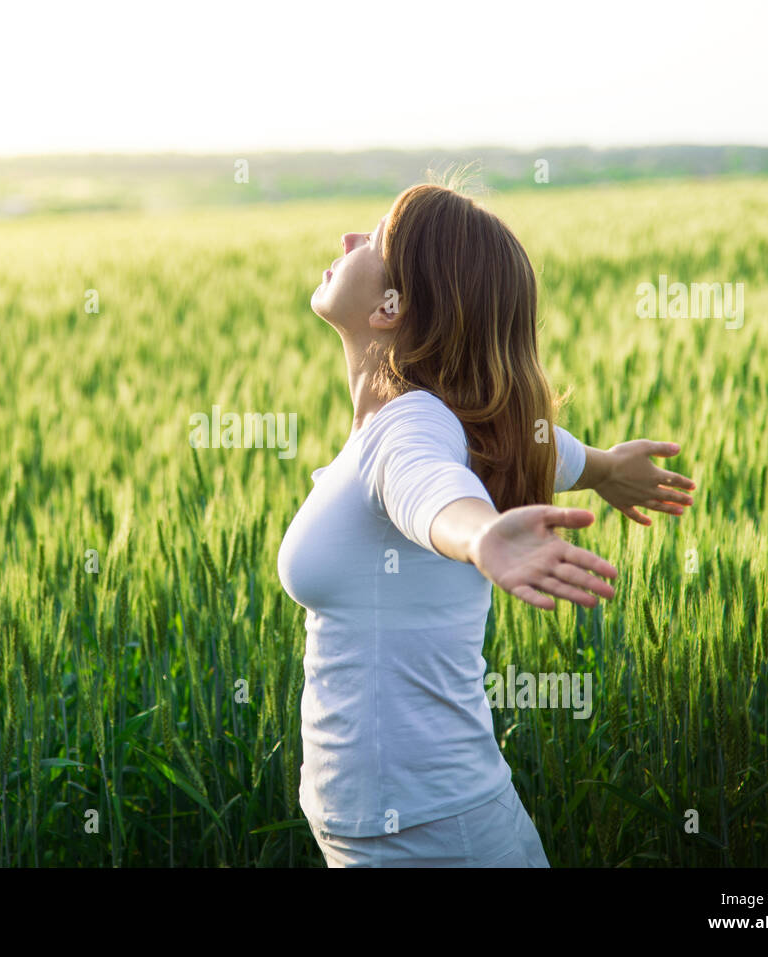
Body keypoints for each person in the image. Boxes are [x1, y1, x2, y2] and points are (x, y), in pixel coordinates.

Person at [277, 178, 696, 867]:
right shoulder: (434, 421)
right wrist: (604, 466)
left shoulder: (409, 425)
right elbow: (527, 444)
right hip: (409, 831)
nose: (349, 240)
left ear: (393, 307)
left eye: (375, 239)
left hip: (433, 841)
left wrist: (477, 535)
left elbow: (430, 490)